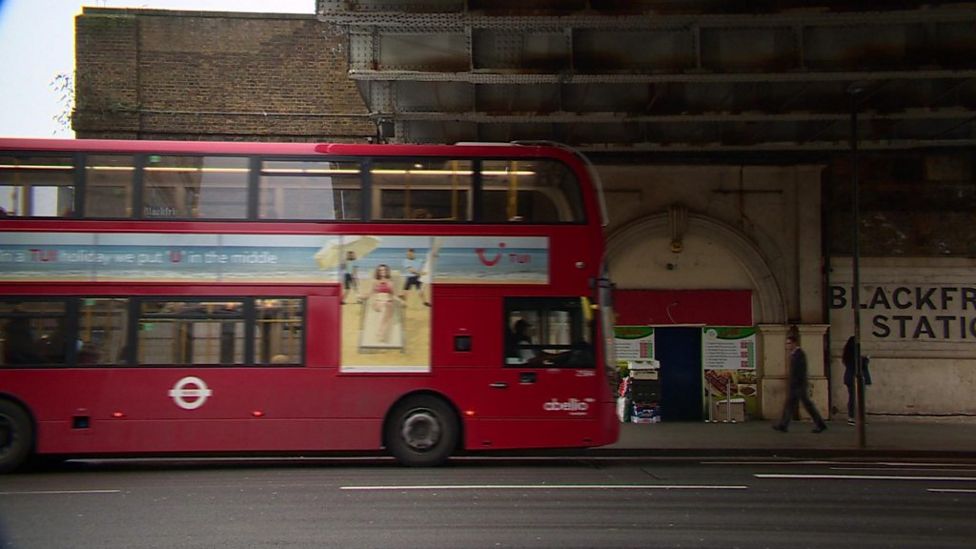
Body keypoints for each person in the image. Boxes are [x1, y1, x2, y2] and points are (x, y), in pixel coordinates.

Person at [773, 334, 827, 433]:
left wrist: (797, 383)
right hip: (795, 385)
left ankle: (820, 424)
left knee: (807, 405)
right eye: (786, 344)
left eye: (789, 343)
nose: (787, 346)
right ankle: (783, 424)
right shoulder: (794, 354)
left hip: (799, 385)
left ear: (794, 343)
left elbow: (800, 371)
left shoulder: (799, 354)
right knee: (790, 404)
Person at [842, 336, 872, 426]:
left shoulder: (847, 354)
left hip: (849, 378)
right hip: (855, 378)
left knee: (852, 398)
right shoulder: (855, 355)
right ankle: (855, 418)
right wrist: (866, 360)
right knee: (858, 399)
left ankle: (852, 417)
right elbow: (859, 365)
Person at [366, 264, 397, 342]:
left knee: (386, 308)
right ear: (378, 272)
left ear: (387, 271)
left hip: (388, 302)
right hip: (378, 302)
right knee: (384, 309)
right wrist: (365, 297)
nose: (382, 272)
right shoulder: (375, 281)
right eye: (380, 270)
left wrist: (400, 301)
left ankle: (380, 334)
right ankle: (380, 333)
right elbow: (371, 292)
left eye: (384, 270)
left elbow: (393, 294)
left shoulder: (390, 282)